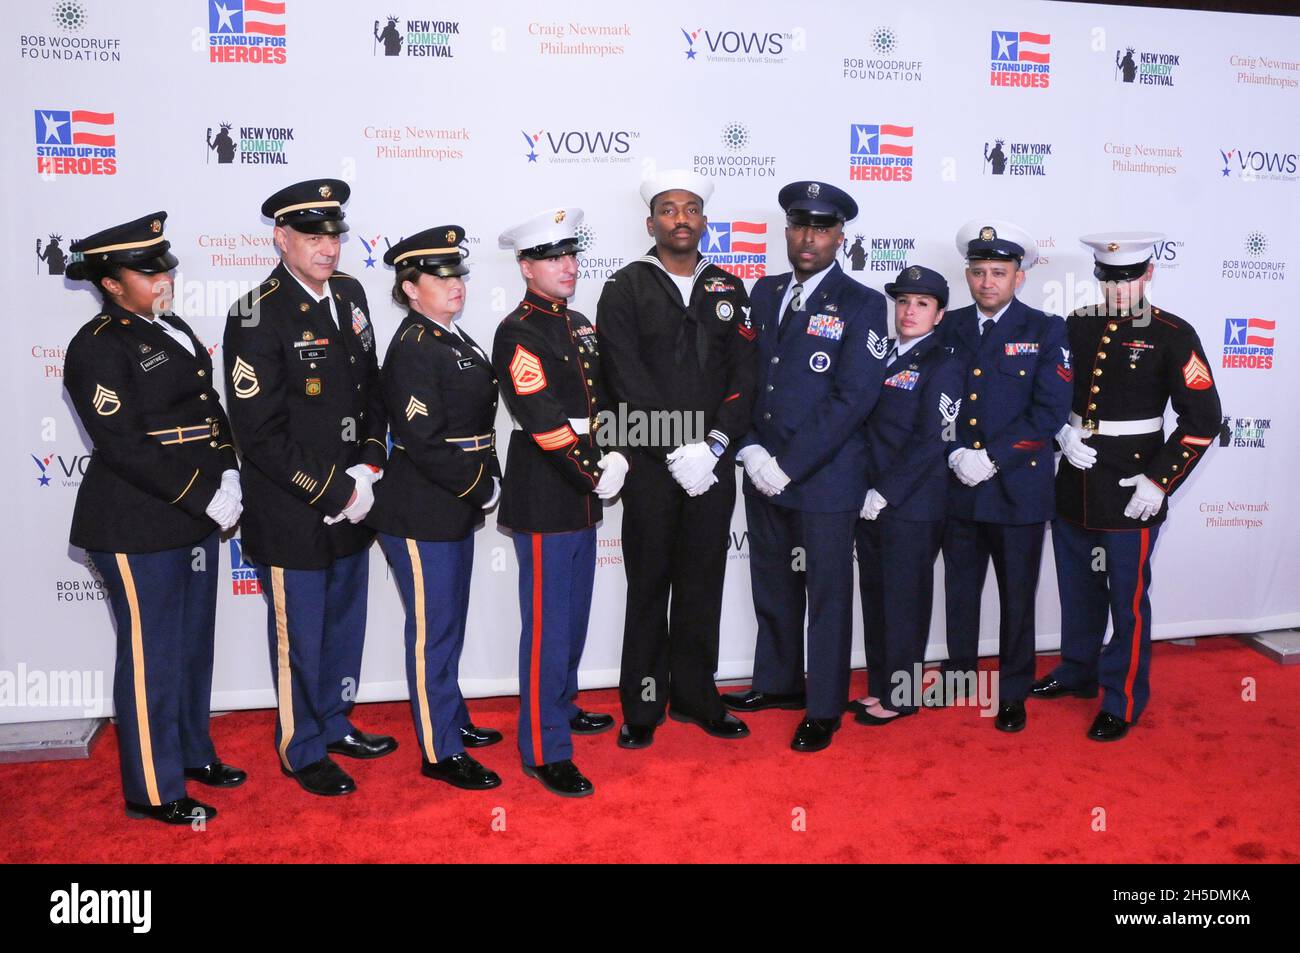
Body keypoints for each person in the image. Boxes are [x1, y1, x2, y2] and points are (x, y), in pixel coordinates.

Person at [63, 212, 246, 825]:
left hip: (192, 517)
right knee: (151, 657)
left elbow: (208, 408)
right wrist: (203, 493)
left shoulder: (172, 328)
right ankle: (152, 788)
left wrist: (228, 470)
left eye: (165, 264)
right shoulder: (96, 346)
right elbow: (123, 444)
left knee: (192, 648)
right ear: (112, 284)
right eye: (149, 269)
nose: (165, 275)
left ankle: (192, 752)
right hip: (135, 525)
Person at [223, 179, 395, 797]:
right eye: (313, 235)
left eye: (334, 235)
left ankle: (336, 721)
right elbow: (258, 434)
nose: (328, 247)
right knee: (301, 637)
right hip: (296, 510)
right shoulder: (254, 313)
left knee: (345, 625)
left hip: (356, 498)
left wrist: (370, 466)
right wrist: (333, 491)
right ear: (281, 237)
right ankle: (302, 747)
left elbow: (372, 388)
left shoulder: (349, 294)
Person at [1032, 232, 1222, 741]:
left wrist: (1159, 483)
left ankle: (1123, 698)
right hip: (1075, 478)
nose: (1118, 289)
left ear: (1148, 275)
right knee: (1077, 589)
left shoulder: (1173, 334)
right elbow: (1050, 389)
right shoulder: (1075, 325)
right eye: (1108, 278)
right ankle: (1077, 671)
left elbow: (1203, 418)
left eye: (1128, 278)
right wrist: (1061, 432)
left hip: (1131, 486)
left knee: (1128, 601)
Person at [723, 180, 889, 752]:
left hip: (823, 476)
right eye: (798, 226)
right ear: (786, 230)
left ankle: (822, 706)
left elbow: (853, 398)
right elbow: (743, 380)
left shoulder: (865, 303)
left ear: (841, 236)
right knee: (772, 583)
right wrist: (747, 448)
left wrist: (786, 465)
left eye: (821, 228)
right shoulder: (763, 292)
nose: (808, 237)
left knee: (826, 593)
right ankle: (777, 683)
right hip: (762, 466)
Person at [596, 170, 755, 749]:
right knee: (648, 585)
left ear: (704, 222)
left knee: (701, 583)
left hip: (710, 467)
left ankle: (696, 697)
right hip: (649, 465)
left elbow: (745, 378)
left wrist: (711, 447)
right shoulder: (624, 287)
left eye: (691, 209)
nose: (681, 218)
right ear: (651, 223)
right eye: (669, 210)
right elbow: (622, 376)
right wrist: (675, 446)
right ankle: (642, 707)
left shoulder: (730, 288)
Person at [493, 208, 626, 797]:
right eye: (552, 258)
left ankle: (563, 705)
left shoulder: (577, 321)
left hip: (583, 493)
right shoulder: (518, 330)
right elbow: (542, 419)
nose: (567, 266)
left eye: (570, 255)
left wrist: (618, 451)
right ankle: (544, 747)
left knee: (570, 619)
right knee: (547, 627)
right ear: (526, 267)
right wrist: (595, 472)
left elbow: (606, 400)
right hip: (550, 491)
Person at [366, 226, 503, 789]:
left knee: (448, 624)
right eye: (440, 276)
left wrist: (481, 480)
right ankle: (439, 749)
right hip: (422, 511)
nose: (456, 285)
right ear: (410, 287)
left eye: (459, 274)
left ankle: (451, 716)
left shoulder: (451, 336)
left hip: (451, 506)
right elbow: (423, 442)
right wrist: (481, 486)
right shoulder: (415, 347)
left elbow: (474, 427)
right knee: (432, 632)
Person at [938, 220, 1072, 732]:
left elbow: (1049, 411)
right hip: (956, 487)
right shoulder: (946, 327)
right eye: (978, 272)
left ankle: (1013, 690)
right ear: (967, 276)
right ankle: (960, 674)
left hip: (1017, 489)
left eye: (999, 271)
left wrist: (991, 458)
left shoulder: (1045, 329)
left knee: (1018, 596)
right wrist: (952, 453)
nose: (987, 281)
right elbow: (929, 401)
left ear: (1020, 276)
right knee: (960, 590)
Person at [852, 266, 967, 725]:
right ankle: (882, 685)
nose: (909, 311)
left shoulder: (944, 361)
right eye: (903, 302)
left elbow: (935, 437)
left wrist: (886, 491)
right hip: (869, 499)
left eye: (922, 304)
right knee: (877, 597)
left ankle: (901, 695)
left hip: (912, 504)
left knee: (904, 601)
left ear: (939, 314)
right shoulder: (879, 355)